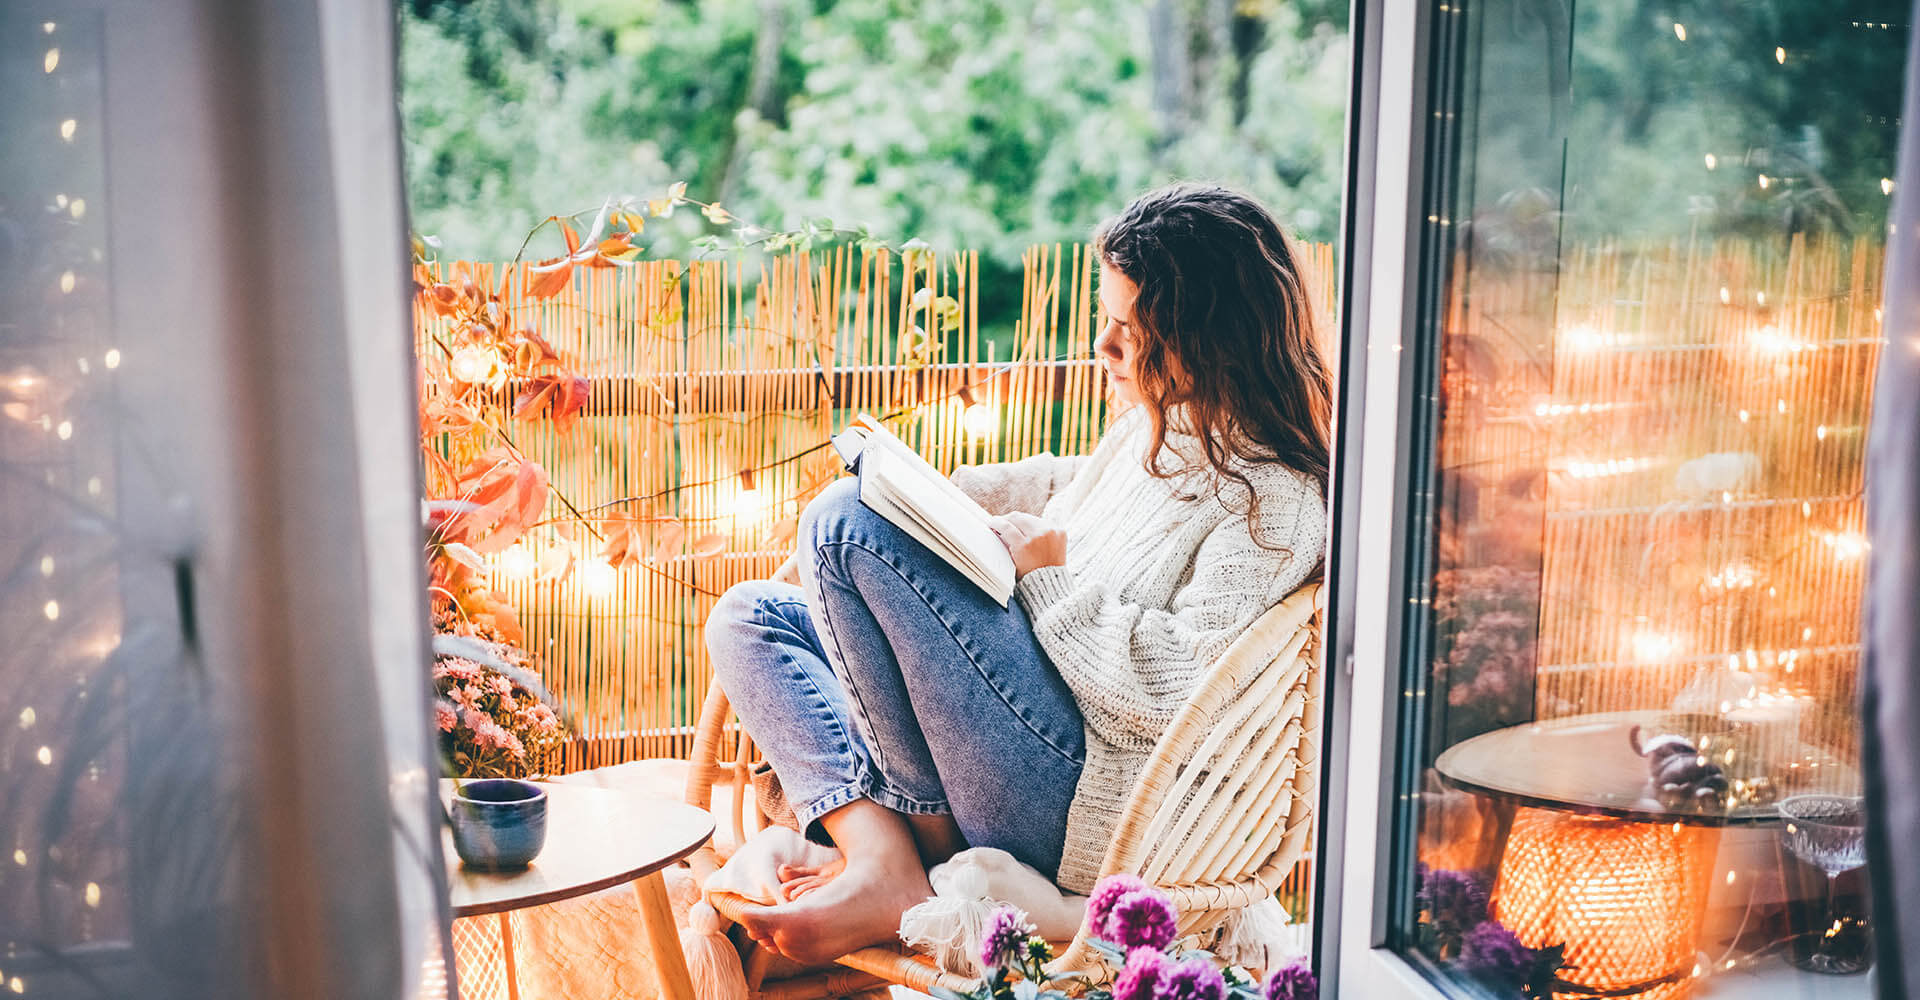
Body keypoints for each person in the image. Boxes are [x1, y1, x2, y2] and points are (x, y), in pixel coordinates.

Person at [704, 183, 1332, 965]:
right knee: (752, 614)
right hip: (1018, 734)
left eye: (1128, 332)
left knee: (841, 519)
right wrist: (935, 497)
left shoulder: (1275, 498)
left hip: (1084, 799)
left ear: (1209, 341)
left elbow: (1181, 688)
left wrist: (1047, 583)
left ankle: (891, 856)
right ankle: (883, 859)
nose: (1103, 348)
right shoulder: (1161, 427)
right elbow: (1059, 489)